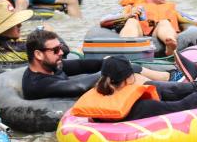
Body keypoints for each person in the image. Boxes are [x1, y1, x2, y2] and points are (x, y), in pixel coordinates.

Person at [71, 55, 197, 125]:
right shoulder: (142, 106)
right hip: (151, 123)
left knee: (155, 88)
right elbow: (180, 107)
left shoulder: (101, 100)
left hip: (122, 121)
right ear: (129, 77)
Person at [21, 30, 182, 99]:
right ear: (38, 54)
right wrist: (112, 68)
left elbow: (82, 66)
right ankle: (173, 85)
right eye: (56, 50)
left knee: (122, 67)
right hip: (71, 106)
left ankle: (171, 79)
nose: (61, 53)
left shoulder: (52, 66)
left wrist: (108, 61)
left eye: (61, 48)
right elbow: (77, 87)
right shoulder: (36, 83)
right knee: (123, 73)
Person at [104, 0, 197, 55]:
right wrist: (128, 15)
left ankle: (170, 45)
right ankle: (128, 48)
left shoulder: (172, 9)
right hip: (140, 35)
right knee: (132, 22)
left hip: (159, 35)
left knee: (164, 22)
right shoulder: (132, 7)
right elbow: (104, 21)